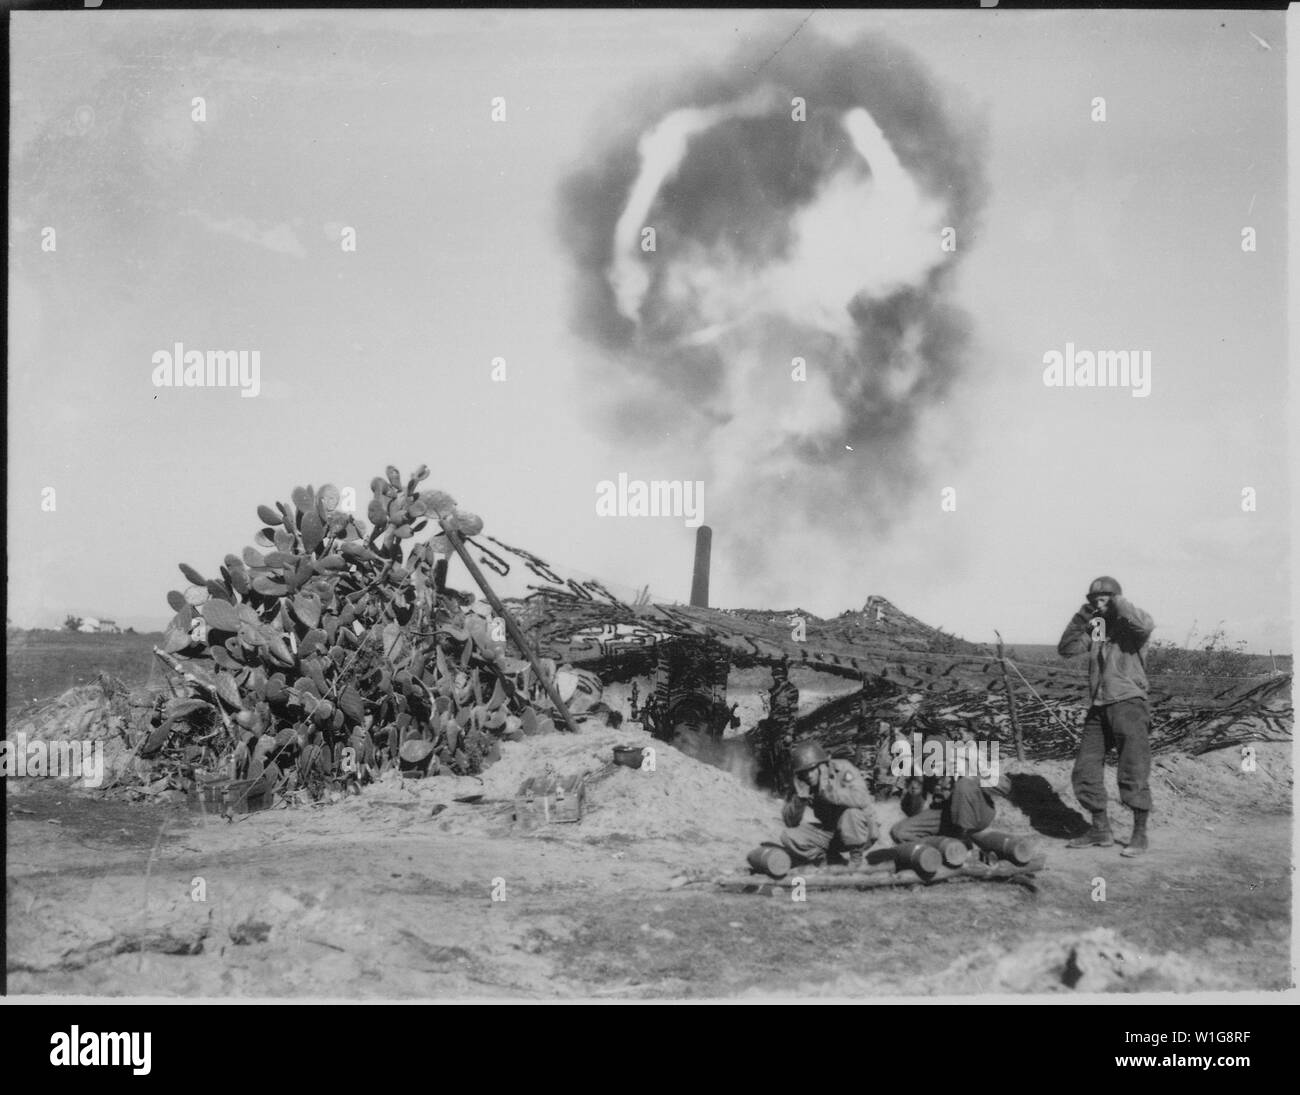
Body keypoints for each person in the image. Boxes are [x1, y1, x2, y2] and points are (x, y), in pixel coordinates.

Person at [1057, 575, 1156, 857]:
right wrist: (1082, 616)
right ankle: (1100, 828)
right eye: (1094, 599)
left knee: (1133, 769)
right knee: (1085, 770)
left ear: (1116, 599)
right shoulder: (1099, 629)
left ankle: (1139, 834)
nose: (1098, 602)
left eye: (1104, 598)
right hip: (1099, 706)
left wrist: (1117, 603)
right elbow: (1067, 649)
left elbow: (1146, 624)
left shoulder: (1132, 627)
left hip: (1129, 703)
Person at [889, 726, 1009, 844]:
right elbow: (912, 811)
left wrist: (971, 775)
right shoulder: (926, 771)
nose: (934, 765)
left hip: (978, 812)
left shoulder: (969, 760)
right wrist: (916, 788)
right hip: (946, 814)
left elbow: (1004, 787)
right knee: (900, 831)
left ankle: (962, 837)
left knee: (964, 785)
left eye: (937, 760)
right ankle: (947, 846)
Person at [778, 740, 879, 867]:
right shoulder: (802, 781)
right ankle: (830, 859)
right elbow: (789, 822)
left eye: (812, 769)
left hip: (862, 831)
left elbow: (861, 799)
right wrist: (800, 799)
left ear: (822, 765)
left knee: (850, 813)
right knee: (788, 836)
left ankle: (856, 859)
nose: (808, 775)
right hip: (833, 833)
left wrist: (827, 793)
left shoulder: (842, 769)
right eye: (804, 772)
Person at [762, 660, 800, 793]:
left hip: (784, 730)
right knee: (772, 759)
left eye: (779, 673)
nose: (776, 676)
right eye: (775, 673)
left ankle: (787, 790)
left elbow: (794, 713)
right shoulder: (771, 691)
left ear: (784, 674)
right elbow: (767, 710)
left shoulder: (791, 690)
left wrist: (790, 733)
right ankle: (776, 788)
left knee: (784, 761)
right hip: (773, 728)